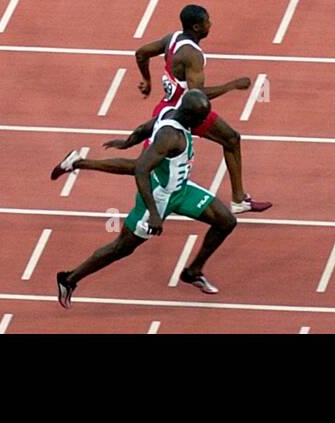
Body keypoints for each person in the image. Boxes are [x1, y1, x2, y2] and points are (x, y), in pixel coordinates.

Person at [50, 4, 270, 213]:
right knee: (140, 166)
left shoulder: (172, 38)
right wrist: (232, 85)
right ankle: (77, 162)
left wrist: (147, 81)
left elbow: (141, 53)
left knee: (231, 139)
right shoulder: (192, 55)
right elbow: (198, 95)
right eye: (207, 22)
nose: (210, 25)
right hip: (179, 115)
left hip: (177, 106)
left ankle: (239, 200)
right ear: (196, 27)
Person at [56, 90, 237, 308]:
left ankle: (193, 272)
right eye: (202, 118)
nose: (205, 122)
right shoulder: (172, 137)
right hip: (160, 197)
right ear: (190, 115)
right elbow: (141, 170)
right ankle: (68, 279)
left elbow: (145, 128)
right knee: (121, 248)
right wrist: (153, 213)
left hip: (182, 189)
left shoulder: (170, 112)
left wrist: (127, 142)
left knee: (226, 221)